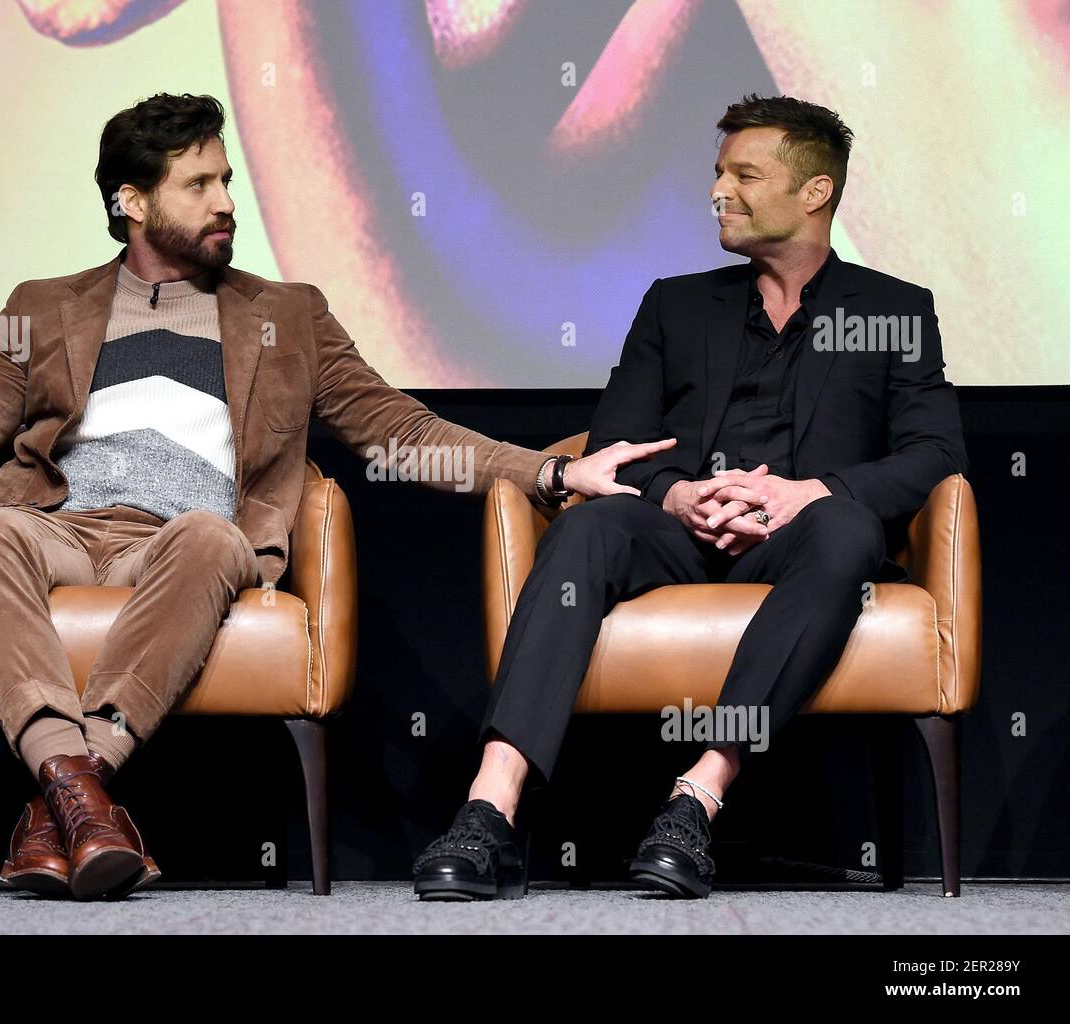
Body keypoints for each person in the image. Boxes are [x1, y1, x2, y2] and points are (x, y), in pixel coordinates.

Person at [0, 93, 666, 900]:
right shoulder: (43, 307)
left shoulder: (288, 315)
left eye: (227, 180)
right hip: (61, 528)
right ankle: (82, 793)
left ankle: (64, 802)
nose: (227, 200)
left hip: (183, 540)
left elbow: (397, 429)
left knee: (210, 537)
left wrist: (550, 473)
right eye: (200, 184)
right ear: (132, 201)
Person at [412, 94, 967, 900]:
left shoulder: (890, 310)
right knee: (589, 529)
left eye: (745, 175)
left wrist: (809, 492)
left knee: (846, 528)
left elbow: (936, 451)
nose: (719, 191)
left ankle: (696, 795)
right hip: (680, 540)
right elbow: (614, 447)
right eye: (717, 174)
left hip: (801, 544)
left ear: (815, 192)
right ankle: (487, 810)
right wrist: (676, 496)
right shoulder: (676, 304)